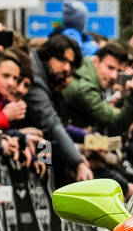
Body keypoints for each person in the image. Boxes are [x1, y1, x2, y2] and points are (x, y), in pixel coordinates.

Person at [24, 33, 92, 182]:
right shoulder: (34, 75)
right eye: (62, 60)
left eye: (71, 64)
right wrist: (77, 162)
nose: (66, 68)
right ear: (47, 56)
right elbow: (50, 124)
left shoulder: (48, 79)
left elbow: (55, 128)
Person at [62, 41, 133, 135]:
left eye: (118, 71)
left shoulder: (85, 70)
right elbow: (117, 123)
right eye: (110, 68)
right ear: (96, 61)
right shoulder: (85, 89)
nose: (114, 76)